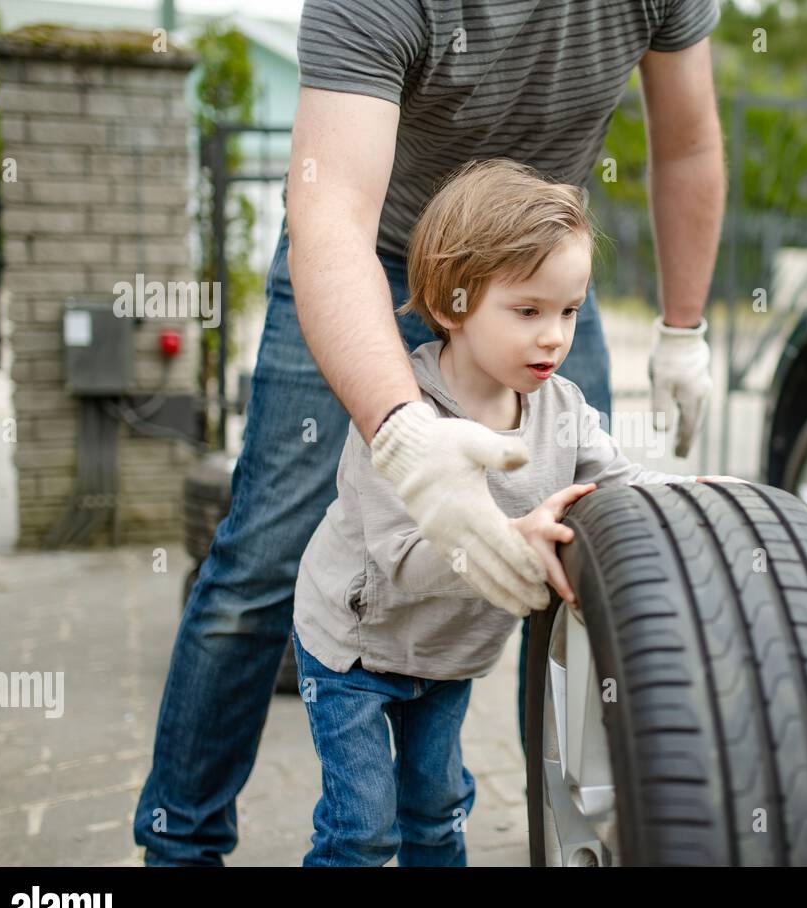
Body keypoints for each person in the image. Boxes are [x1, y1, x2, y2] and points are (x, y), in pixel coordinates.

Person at [135, 0, 725, 865]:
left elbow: (688, 143)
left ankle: (578, 844)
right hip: (366, 246)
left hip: (533, 271)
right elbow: (329, 205)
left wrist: (682, 328)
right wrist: (405, 434)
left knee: (585, 553)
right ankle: (179, 847)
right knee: (262, 560)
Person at [292, 158, 741, 866]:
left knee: (436, 812)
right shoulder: (404, 415)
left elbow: (616, 482)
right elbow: (403, 559)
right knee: (364, 829)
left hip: (449, 655)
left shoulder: (560, 409)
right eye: (527, 311)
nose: (554, 337)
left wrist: (691, 496)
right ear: (453, 303)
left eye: (569, 310)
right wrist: (505, 540)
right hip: (353, 645)